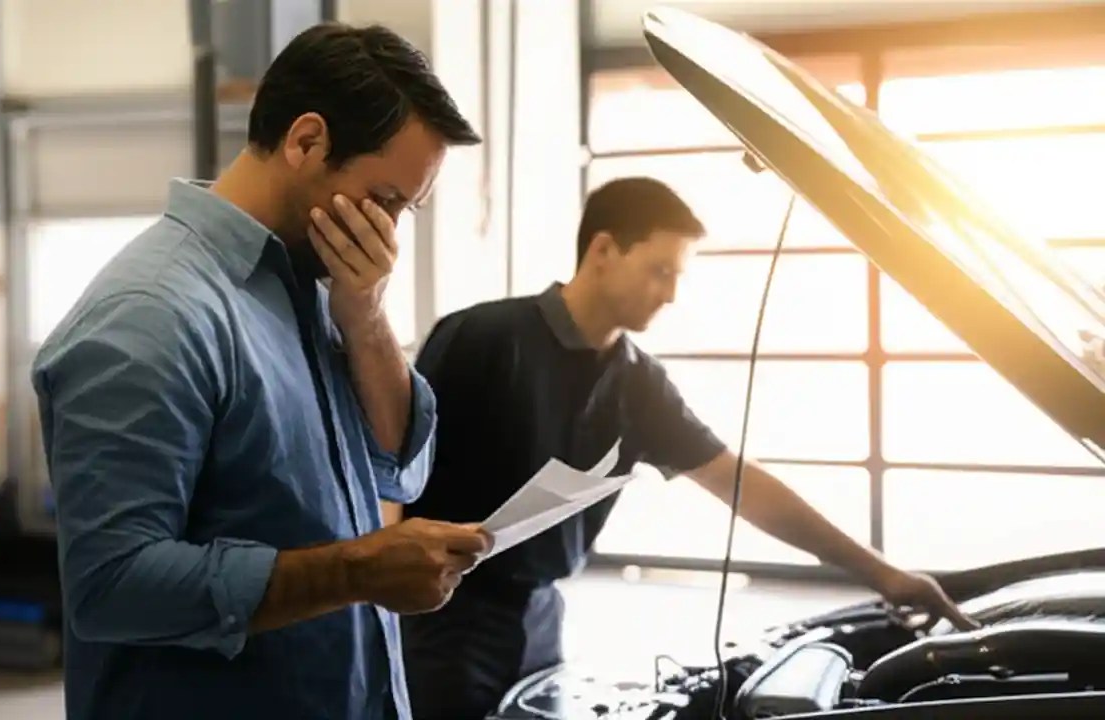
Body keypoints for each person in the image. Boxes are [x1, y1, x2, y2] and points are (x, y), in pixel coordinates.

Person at [32, 23, 491, 720]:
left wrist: (365, 318)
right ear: (306, 142)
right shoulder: (151, 313)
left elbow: (401, 470)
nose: (392, 231)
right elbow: (111, 586)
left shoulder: (318, 282)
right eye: (388, 198)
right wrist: (359, 569)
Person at [392, 176, 980, 719]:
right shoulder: (482, 337)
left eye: (677, 276)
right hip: (443, 612)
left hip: (542, 614)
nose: (671, 294)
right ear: (602, 251)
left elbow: (740, 485)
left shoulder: (639, 382)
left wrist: (883, 575)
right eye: (659, 271)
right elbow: (390, 468)